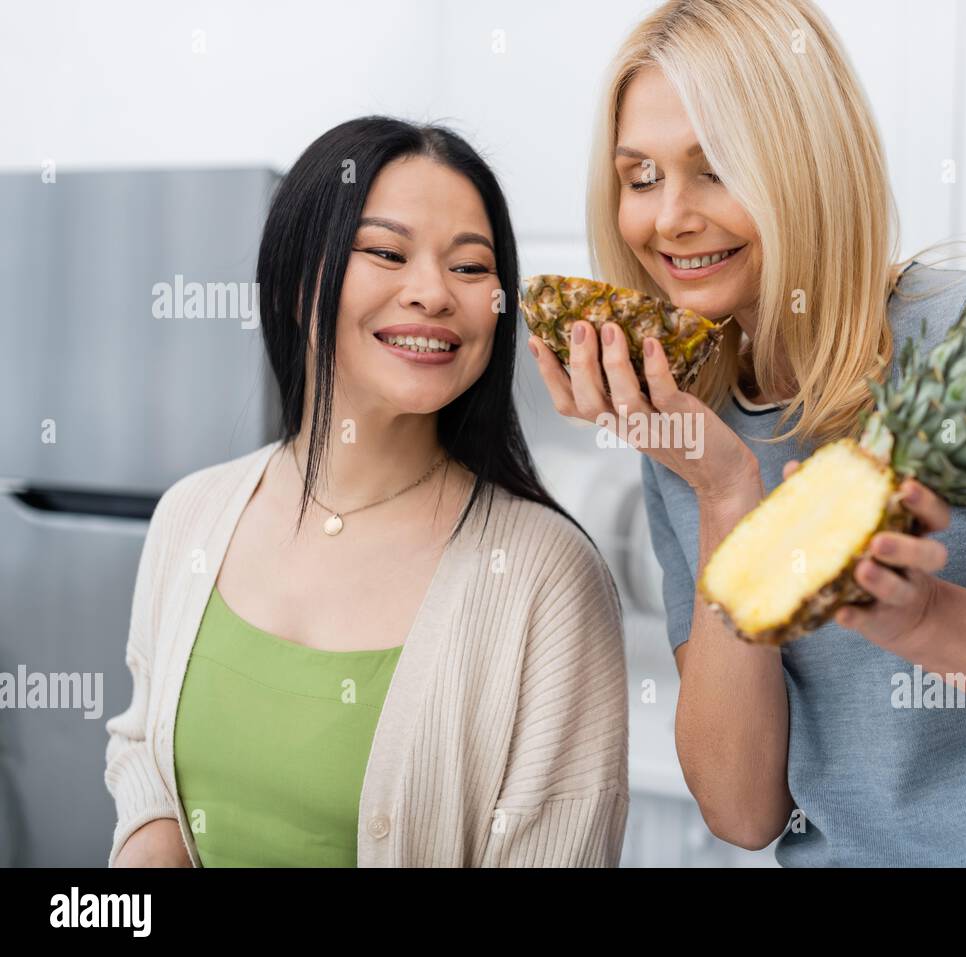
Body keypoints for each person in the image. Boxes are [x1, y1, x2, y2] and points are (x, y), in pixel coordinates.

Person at [529, 0, 966, 866]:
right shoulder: (687, 421)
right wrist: (723, 493)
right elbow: (743, 807)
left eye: (714, 167)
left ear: (807, 164)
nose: (669, 217)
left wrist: (924, 619)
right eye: (640, 176)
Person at [105, 117, 628, 867]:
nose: (432, 293)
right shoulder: (191, 515)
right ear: (292, 285)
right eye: (386, 252)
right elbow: (143, 758)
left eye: (472, 268)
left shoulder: (547, 578)